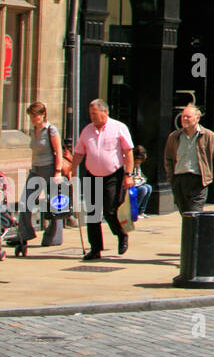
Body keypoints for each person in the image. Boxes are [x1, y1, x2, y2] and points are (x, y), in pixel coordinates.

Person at [70, 98, 134, 261]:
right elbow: (78, 152)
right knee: (92, 213)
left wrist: (128, 174)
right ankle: (95, 248)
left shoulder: (119, 128)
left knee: (110, 211)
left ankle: (121, 235)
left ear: (104, 112)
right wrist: (72, 170)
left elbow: (128, 152)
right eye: (90, 113)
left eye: (94, 113)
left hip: (113, 175)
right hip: (92, 175)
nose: (91, 116)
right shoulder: (87, 130)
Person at [16, 101, 64, 254]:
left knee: (54, 204)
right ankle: (25, 234)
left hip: (50, 169)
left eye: (35, 115)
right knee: (25, 201)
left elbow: (58, 151)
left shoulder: (51, 129)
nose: (33, 119)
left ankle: (53, 236)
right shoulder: (33, 130)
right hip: (36, 169)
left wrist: (57, 172)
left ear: (43, 114)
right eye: (31, 116)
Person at [163, 104, 214, 214]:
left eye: (188, 116)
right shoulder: (174, 137)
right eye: (183, 116)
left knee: (194, 215)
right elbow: (168, 158)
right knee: (185, 215)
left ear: (197, 118)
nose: (184, 119)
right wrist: (171, 177)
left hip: (198, 181)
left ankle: (194, 231)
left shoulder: (209, 136)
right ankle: (191, 232)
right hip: (179, 180)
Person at [130, 147, 152, 218]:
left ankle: (141, 212)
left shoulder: (137, 166)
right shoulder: (129, 164)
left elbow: (140, 175)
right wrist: (136, 178)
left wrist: (141, 178)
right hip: (131, 185)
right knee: (143, 189)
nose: (138, 163)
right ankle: (134, 211)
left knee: (149, 187)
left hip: (137, 183)